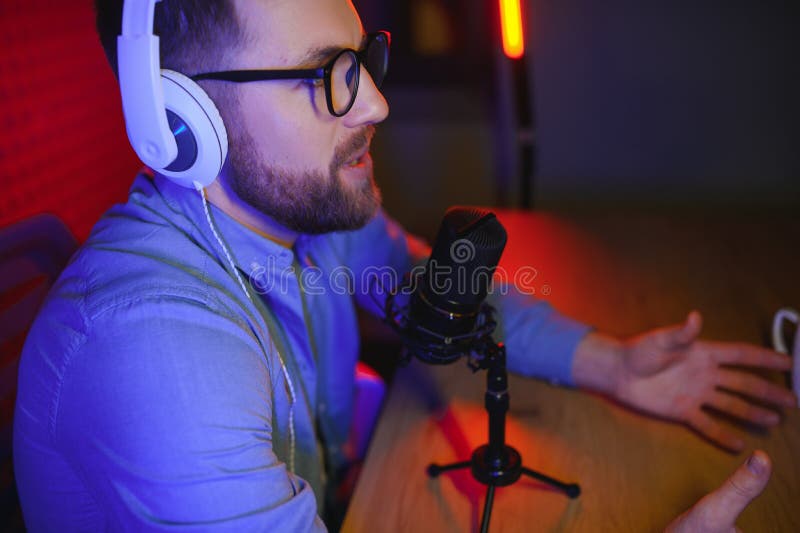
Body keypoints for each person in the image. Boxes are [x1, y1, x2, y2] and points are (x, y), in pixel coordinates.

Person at [12, 0, 795, 531]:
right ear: (182, 123)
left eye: (363, 60)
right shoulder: (154, 352)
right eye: (327, 76)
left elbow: (435, 287)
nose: (377, 104)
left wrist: (611, 363)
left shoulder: (303, 218)